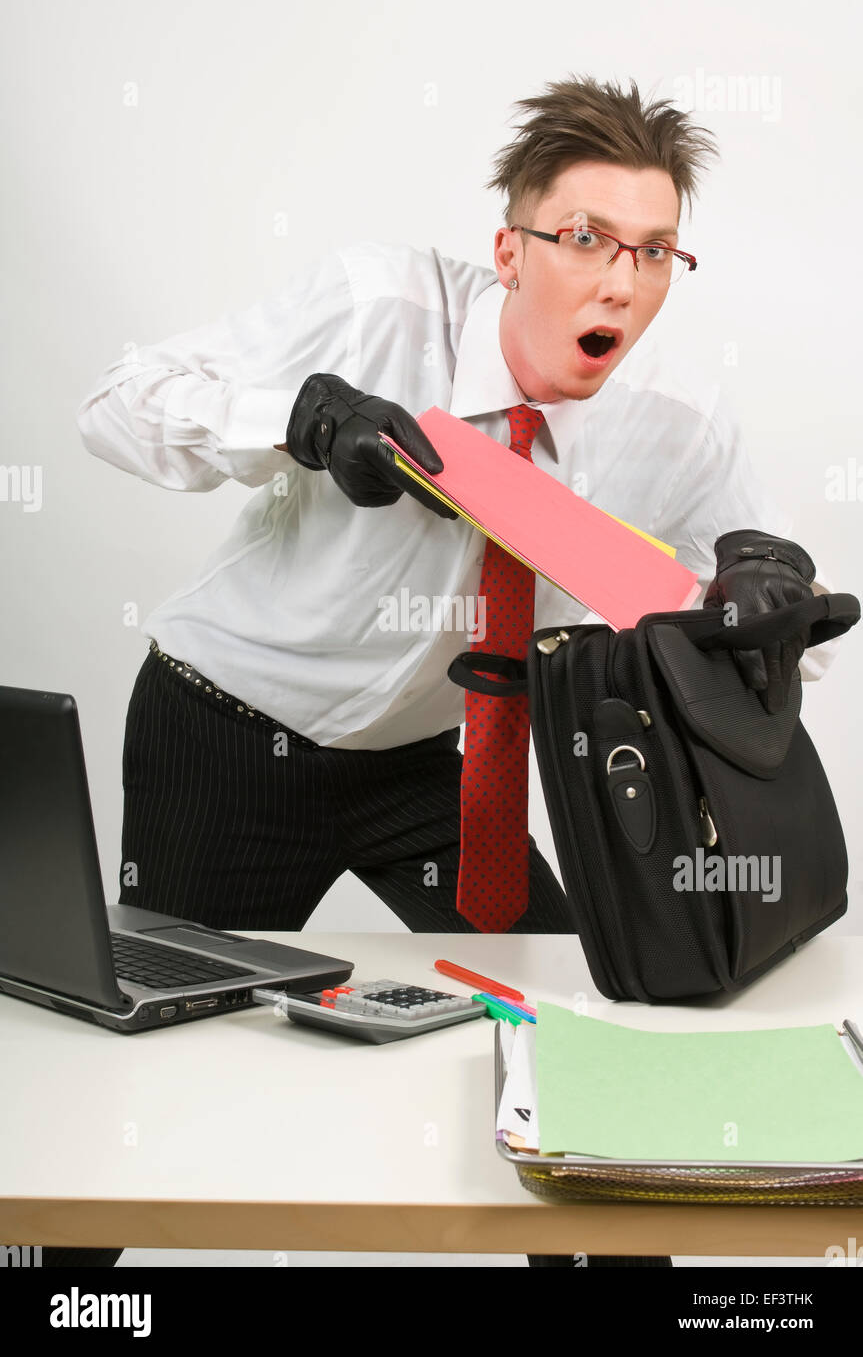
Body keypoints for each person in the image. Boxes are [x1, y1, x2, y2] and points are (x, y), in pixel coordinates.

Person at [60, 74, 839, 1270]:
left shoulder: (679, 418)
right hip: (226, 730)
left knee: (574, 1021)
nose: (619, 283)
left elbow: (726, 573)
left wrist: (762, 590)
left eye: (654, 252)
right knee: (141, 1044)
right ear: (510, 248)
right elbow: (116, 406)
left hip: (426, 770)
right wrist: (304, 420)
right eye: (584, 240)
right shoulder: (378, 304)